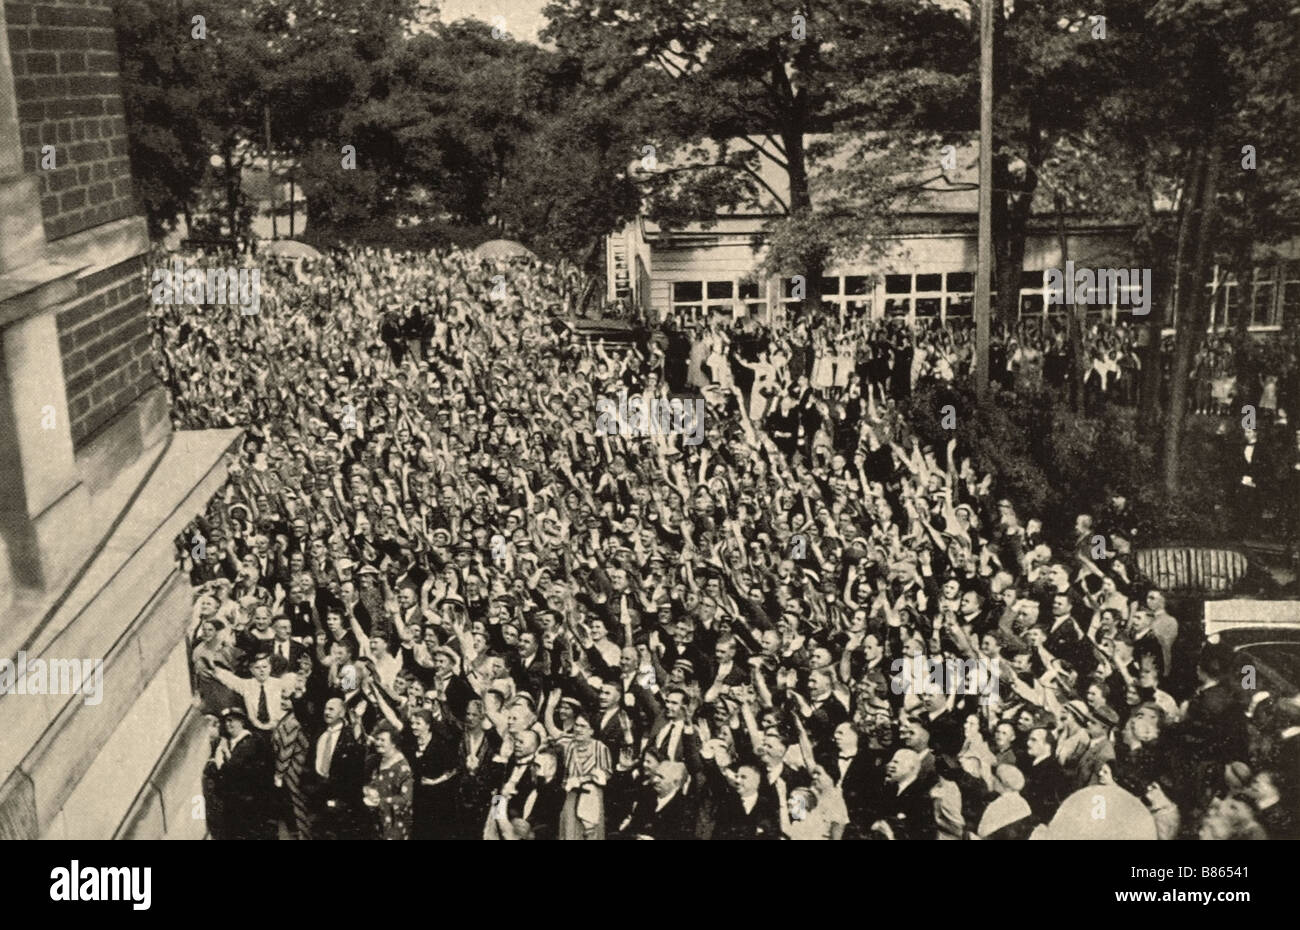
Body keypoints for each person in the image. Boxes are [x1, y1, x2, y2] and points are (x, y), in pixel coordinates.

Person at [364, 725, 414, 840]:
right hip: (378, 819)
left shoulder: (402, 767)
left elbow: (406, 799)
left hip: (395, 822)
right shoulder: (377, 760)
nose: (378, 743)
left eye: (383, 740)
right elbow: (373, 782)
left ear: (393, 743)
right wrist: (368, 790)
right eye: (377, 739)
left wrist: (381, 801)